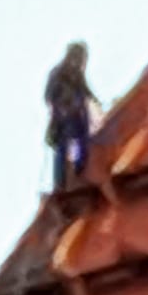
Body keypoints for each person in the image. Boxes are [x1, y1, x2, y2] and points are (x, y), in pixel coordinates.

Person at [44, 41, 95, 190]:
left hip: (78, 115)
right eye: (78, 57)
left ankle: (80, 173)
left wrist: (97, 103)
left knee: (83, 145)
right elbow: (48, 96)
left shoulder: (77, 75)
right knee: (62, 149)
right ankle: (60, 183)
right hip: (64, 117)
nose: (79, 61)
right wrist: (62, 106)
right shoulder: (58, 73)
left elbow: (87, 93)